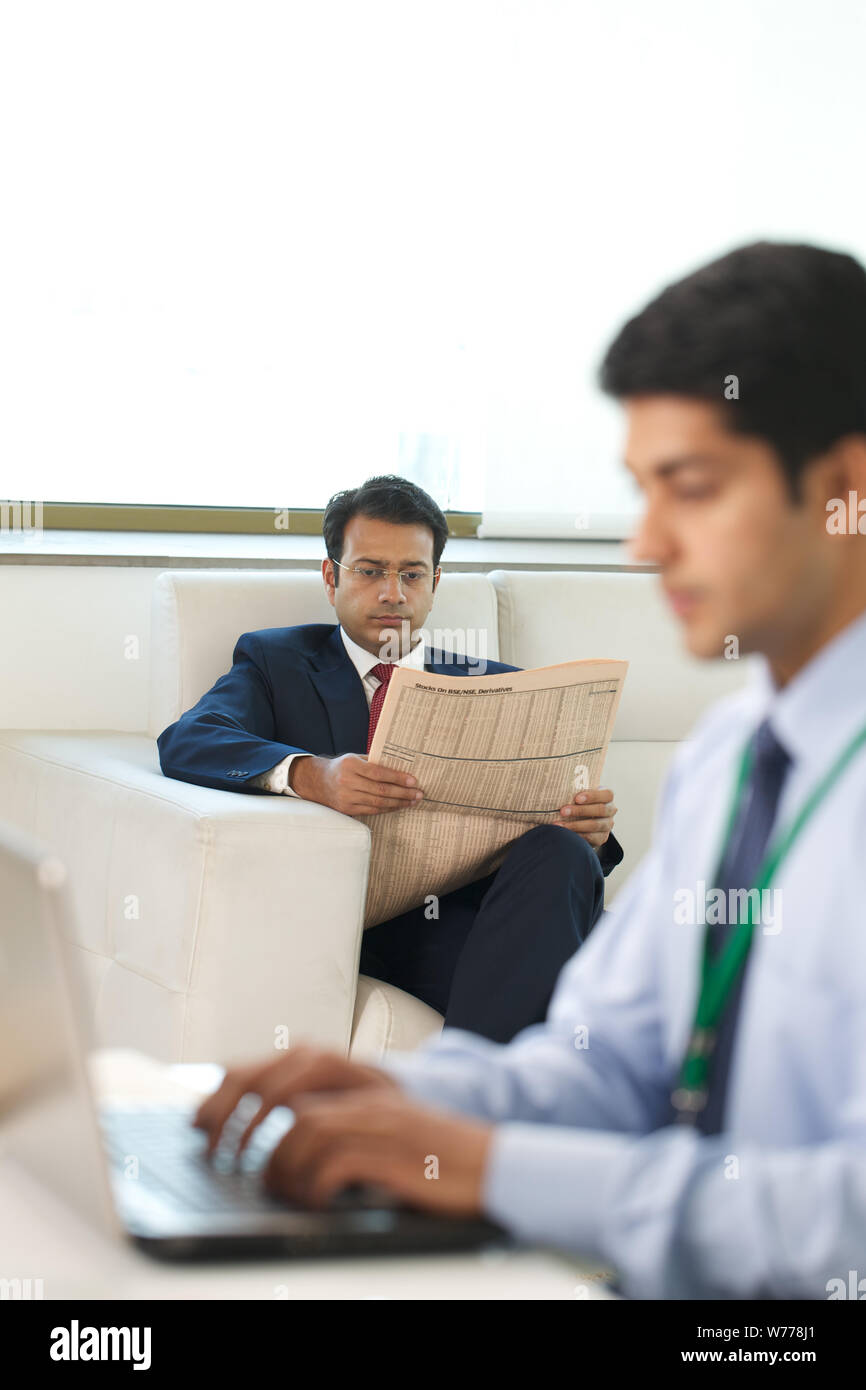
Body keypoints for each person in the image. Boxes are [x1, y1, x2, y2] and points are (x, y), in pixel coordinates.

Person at [193, 241, 866, 1300]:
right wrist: (406, 1104)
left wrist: (488, 1164)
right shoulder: (729, 765)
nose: (645, 546)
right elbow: (599, 1063)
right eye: (640, 493)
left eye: (686, 488)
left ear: (841, 490)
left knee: (559, 853)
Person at [158, 475, 623, 1041]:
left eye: (411, 574)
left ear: (435, 582)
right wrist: (312, 774)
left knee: (564, 852)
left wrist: (588, 827)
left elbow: (561, 858)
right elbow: (190, 738)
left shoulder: (500, 686)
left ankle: (469, 1095)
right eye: (370, 570)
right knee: (578, 984)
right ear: (331, 578)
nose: (392, 593)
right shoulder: (278, 662)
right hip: (384, 923)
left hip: (502, 908)